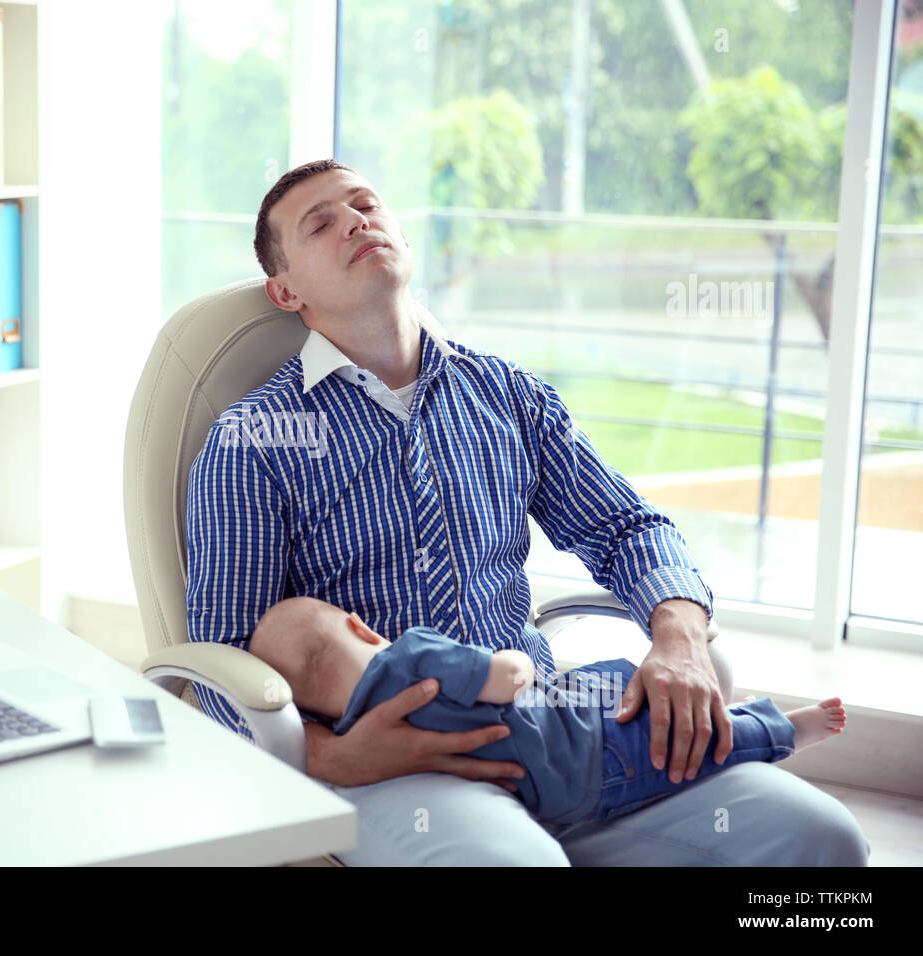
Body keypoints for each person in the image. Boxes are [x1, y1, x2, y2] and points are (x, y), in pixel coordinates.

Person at [184, 158, 870, 865]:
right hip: (395, 765)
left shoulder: (509, 394)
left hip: (556, 726)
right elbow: (223, 665)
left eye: (366, 204)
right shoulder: (255, 438)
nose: (356, 221)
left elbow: (628, 528)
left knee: (823, 836)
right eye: (320, 223)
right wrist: (338, 757)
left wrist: (679, 638)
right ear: (286, 288)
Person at [248, 596, 847, 826]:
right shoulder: (413, 652)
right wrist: (517, 663)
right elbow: (506, 678)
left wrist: (677, 629)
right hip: (570, 736)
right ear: (360, 625)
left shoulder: (352, 724)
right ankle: (778, 728)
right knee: (655, 741)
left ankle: (763, 726)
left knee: (666, 736)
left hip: (544, 779)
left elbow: (627, 526)